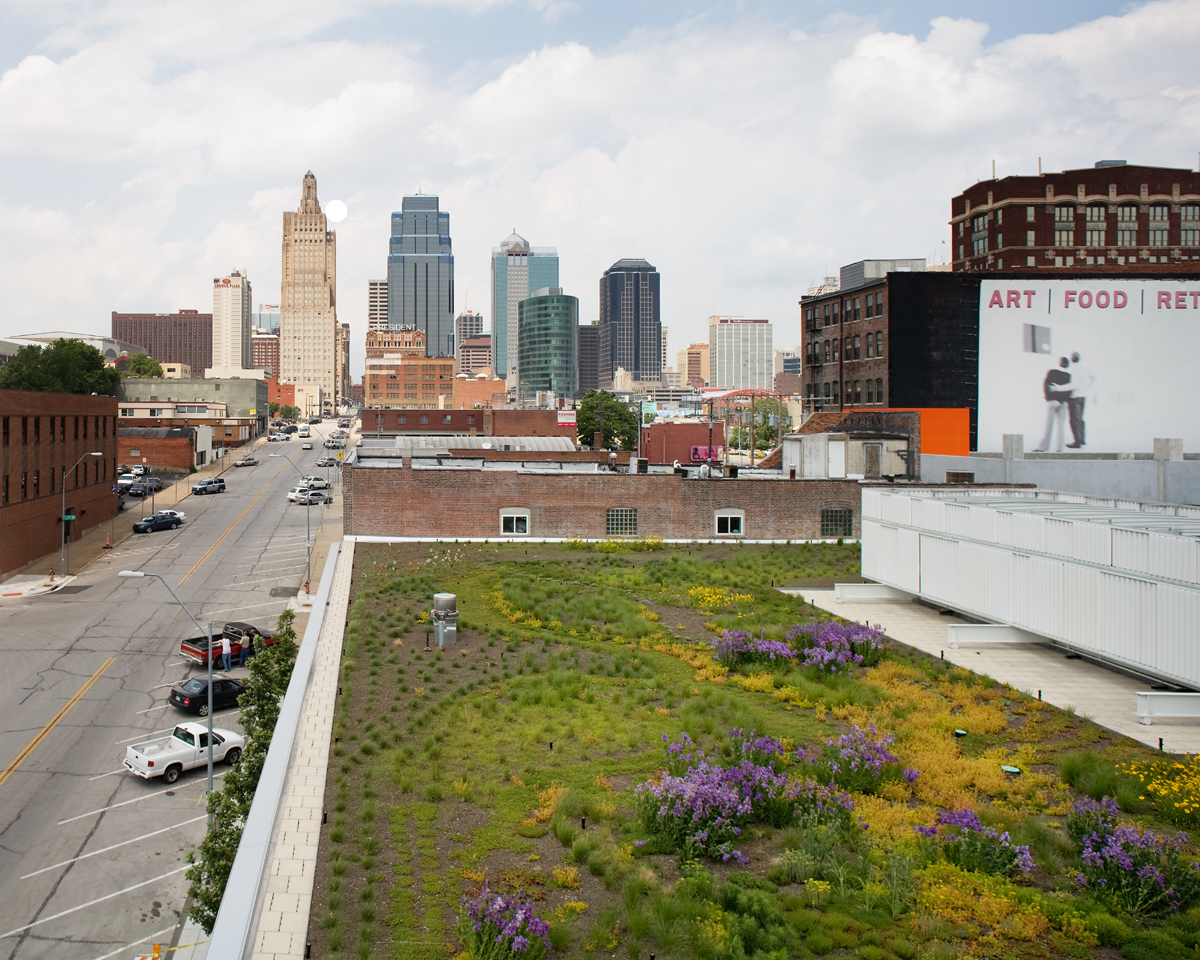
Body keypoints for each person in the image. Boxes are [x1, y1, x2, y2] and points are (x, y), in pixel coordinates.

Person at [1033, 357, 1073, 452]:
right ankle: (1059, 449)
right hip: (1062, 403)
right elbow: (1068, 391)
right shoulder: (1068, 376)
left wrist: (1049, 400)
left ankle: (1043, 447)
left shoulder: (1052, 372)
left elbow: (1046, 386)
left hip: (1052, 403)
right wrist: (1059, 401)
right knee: (1060, 428)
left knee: (1048, 426)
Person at [1066, 351, 1094, 449]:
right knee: (1080, 419)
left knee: (1074, 420)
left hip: (1075, 397)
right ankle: (1082, 440)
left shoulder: (1074, 369)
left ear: (1071, 359)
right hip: (1083, 397)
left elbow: (1074, 385)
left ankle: (1077, 442)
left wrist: (1059, 388)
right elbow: (1093, 377)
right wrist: (1086, 387)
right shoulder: (1085, 369)